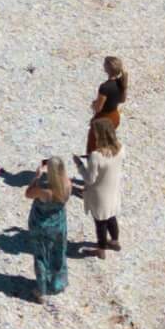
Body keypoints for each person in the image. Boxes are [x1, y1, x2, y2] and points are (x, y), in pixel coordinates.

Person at [24, 155, 71, 301]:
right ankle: (58, 282)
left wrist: (36, 177)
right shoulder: (68, 185)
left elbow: (28, 194)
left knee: (41, 256)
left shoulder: (44, 189)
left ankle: (42, 290)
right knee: (59, 252)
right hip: (59, 224)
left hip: (42, 226)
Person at [81, 117, 123, 254]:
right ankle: (115, 241)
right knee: (111, 217)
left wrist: (80, 165)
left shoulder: (96, 156)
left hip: (99, 195)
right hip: (113, 191)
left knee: (100, 223)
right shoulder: (121, 149)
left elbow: (90, 179)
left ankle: (101, 249)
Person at [91, 56, 128, 134]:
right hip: (115, 116)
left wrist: (93, 104)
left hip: (104, 119)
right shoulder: (120, 82)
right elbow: (122, 100)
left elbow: (98, 108)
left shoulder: (105, 87)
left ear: (107, 68)